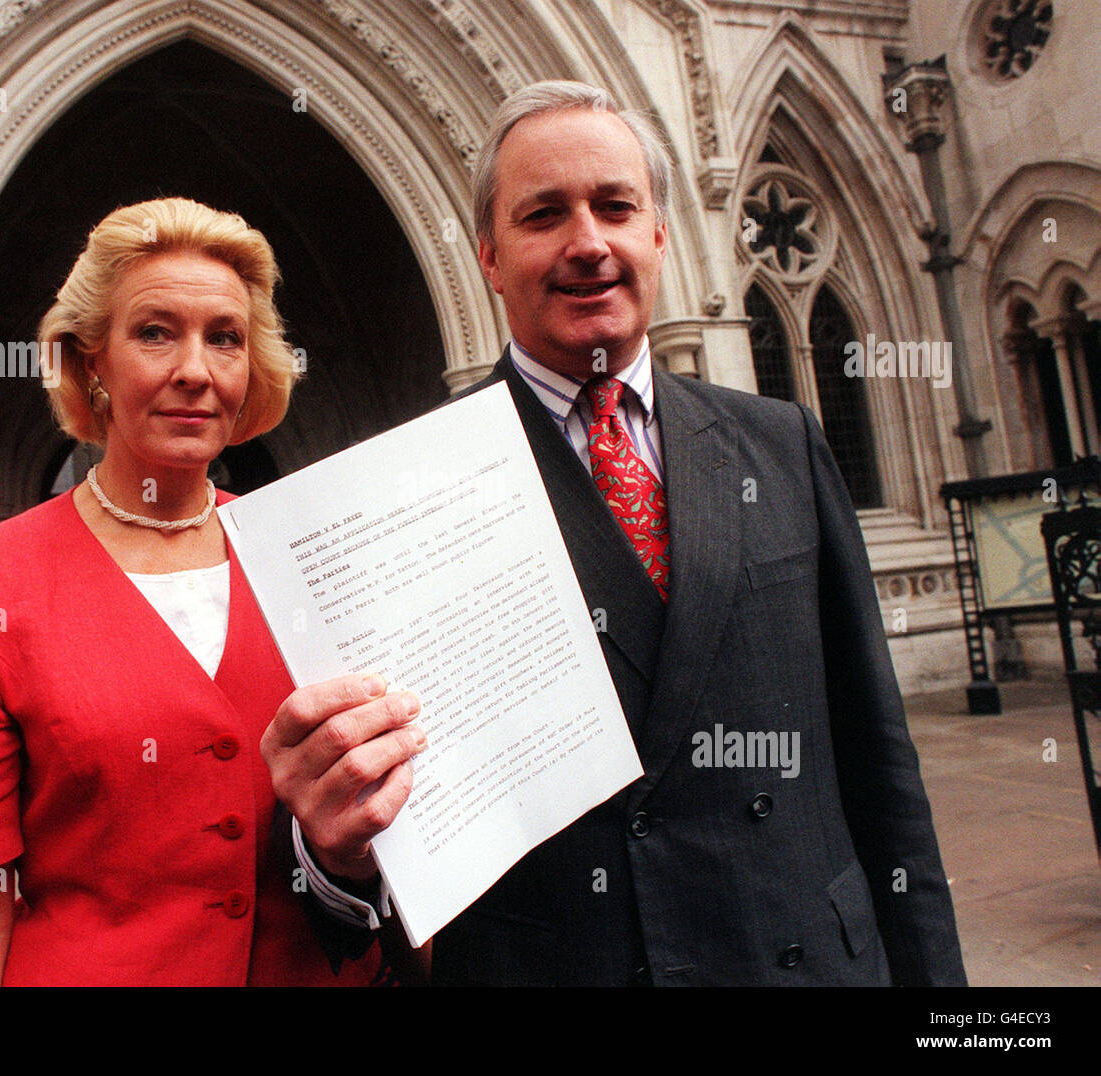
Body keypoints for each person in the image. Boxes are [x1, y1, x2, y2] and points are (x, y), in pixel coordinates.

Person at [261, 82, 968, 985]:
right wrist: (334, 850)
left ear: (661, 235)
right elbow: (386, 853)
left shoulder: (783, 443)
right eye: (544, 214)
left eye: (616, 206)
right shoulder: (405, 499)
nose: (587, 242)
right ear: (488, 254)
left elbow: (881, 767)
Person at [0, 197, 381, 986]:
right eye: (156, 332)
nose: (195, 370)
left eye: (223, 338)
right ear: (91, 360)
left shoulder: (314, 555)